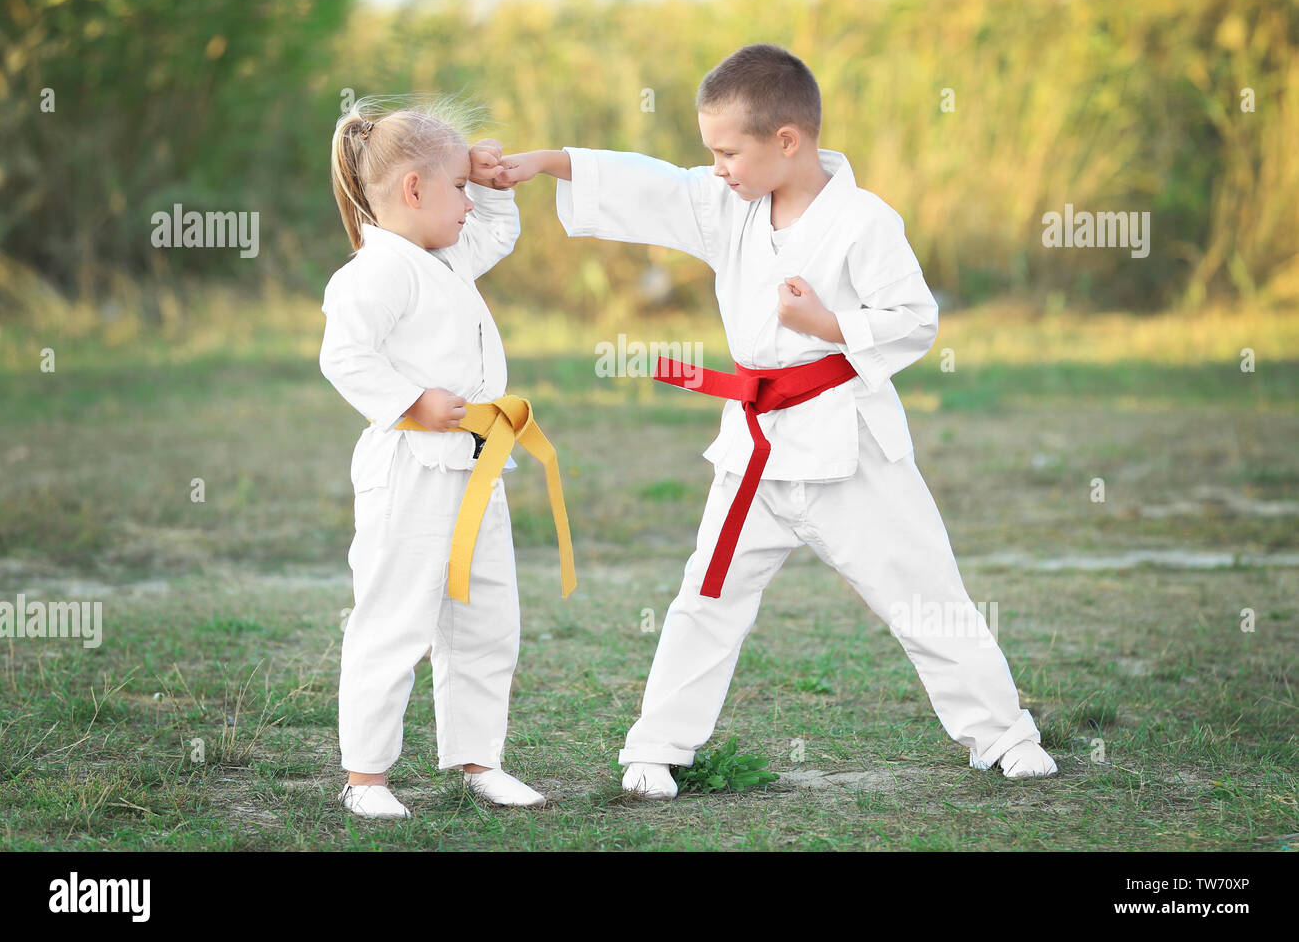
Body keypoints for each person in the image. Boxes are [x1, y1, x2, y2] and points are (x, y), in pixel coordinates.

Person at [499, 44, 1058, 799]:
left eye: (728, 150)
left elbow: (914, 321)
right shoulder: (729, 205)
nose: (717, 166)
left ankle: (1002, 735)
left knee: (924, 592)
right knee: (707, 595)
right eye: (712, 152)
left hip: (850, 448)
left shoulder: (865, 222)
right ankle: (657, 748)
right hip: (755, 450)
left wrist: (828, 323)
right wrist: (543, 162)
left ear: (786, 141)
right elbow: (652, 186)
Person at [321, 95, 557, 818]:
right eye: (457, 188)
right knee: (394, 619)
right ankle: (366, 778)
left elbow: (499, 231)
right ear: (415, 190)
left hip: (478, 467)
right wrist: (411, 402)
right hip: (412, 469)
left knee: (487, 617)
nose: (468, 205)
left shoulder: (445, 252)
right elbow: (344, 356)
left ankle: (478, 759)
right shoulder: (377, 271)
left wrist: (486, 170)